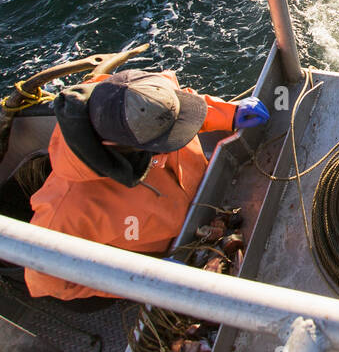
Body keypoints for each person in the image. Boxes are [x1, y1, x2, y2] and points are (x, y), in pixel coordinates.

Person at [25, 69, 269, 302]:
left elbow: (176, 105)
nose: (179, 137)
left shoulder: (136, 91)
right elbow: (47, 282)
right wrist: (143, 278)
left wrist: (227, 113)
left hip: (210, 201)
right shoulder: (66, 212)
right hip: (169, 257)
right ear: (118, 146)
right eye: (168, 139)